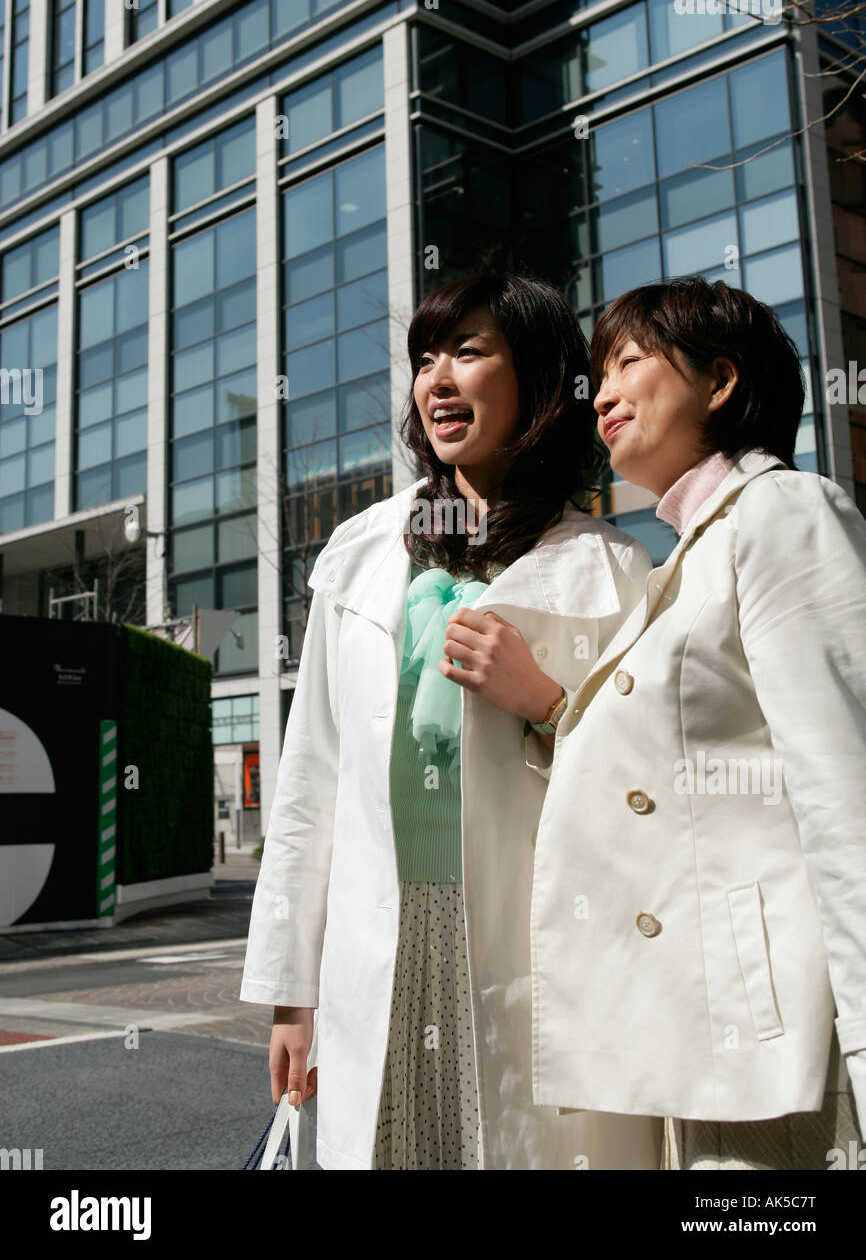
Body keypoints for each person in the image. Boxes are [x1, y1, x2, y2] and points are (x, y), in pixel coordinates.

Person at [240, 273, 663, 1169]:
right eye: (425, 358)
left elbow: (652, 787)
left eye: (469, 352)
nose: (436, 378)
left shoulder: (616, 573)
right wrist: (290, 994)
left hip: (534, 943)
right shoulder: (358, 555)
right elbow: (311, 782)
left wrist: (546, 705)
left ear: (541, 382)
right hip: (380, 941)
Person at [519, 275, 866, 1170]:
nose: (602, 393)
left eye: (629, 360)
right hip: (704, 1035)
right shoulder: (686, 558)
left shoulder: (784, 513)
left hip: (792, 1044)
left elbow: (846, 796)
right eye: (599, 372)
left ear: (719, 381)